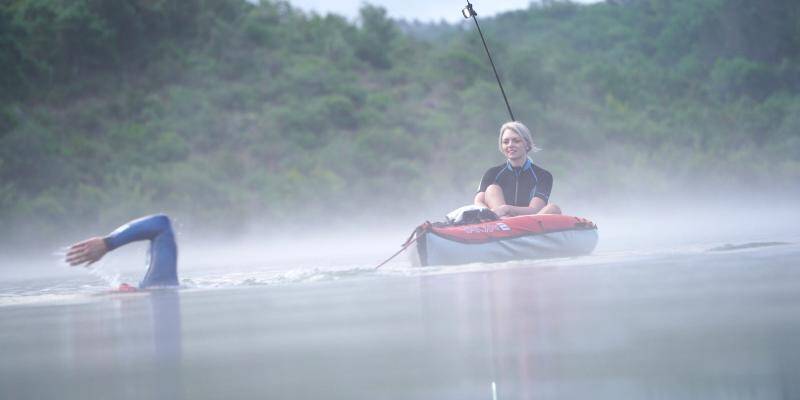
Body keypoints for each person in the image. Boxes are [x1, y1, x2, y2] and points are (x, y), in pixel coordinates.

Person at [474, 121, 562, 217]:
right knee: (492, 189)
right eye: (505, 142)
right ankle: (503, 222)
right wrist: (490, 214)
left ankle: (509, 223)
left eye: (516, 141)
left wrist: (506, 209)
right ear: (502, 146)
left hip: (529, 222)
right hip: (499, 221)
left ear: (527, 144)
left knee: (553, 208)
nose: (510, 145)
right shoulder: (492, 173)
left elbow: (535, 209)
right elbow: (478, 201)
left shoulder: (543, 175)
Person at [65, 214, 179, 289]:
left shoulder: (159, 284)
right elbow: (161, 224)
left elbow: (161, 225)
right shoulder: (160, 284)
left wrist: (108, 243)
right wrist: (108, 243)